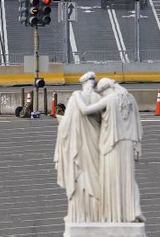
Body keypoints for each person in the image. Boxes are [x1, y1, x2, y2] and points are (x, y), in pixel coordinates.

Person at [70, 78, 144, 224]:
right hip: (128, 143)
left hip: (112, 144)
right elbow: (138, 124)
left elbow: (86, 110)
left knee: (111, 179)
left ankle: (114, 214)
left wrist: (76, 95)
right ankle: (135, 210)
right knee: (129, 179)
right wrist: (137, 145)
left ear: (105, 89)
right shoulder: (130, 98)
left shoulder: (109, 99)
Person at [54, 71, 102, 223]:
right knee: (95, 177)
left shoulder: (76, 98)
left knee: (79, 177)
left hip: (79, 143)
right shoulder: (100, 98)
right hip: (95, 142)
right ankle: (95, 212)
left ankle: (79, 212)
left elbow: (66, 124)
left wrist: (61, 122)